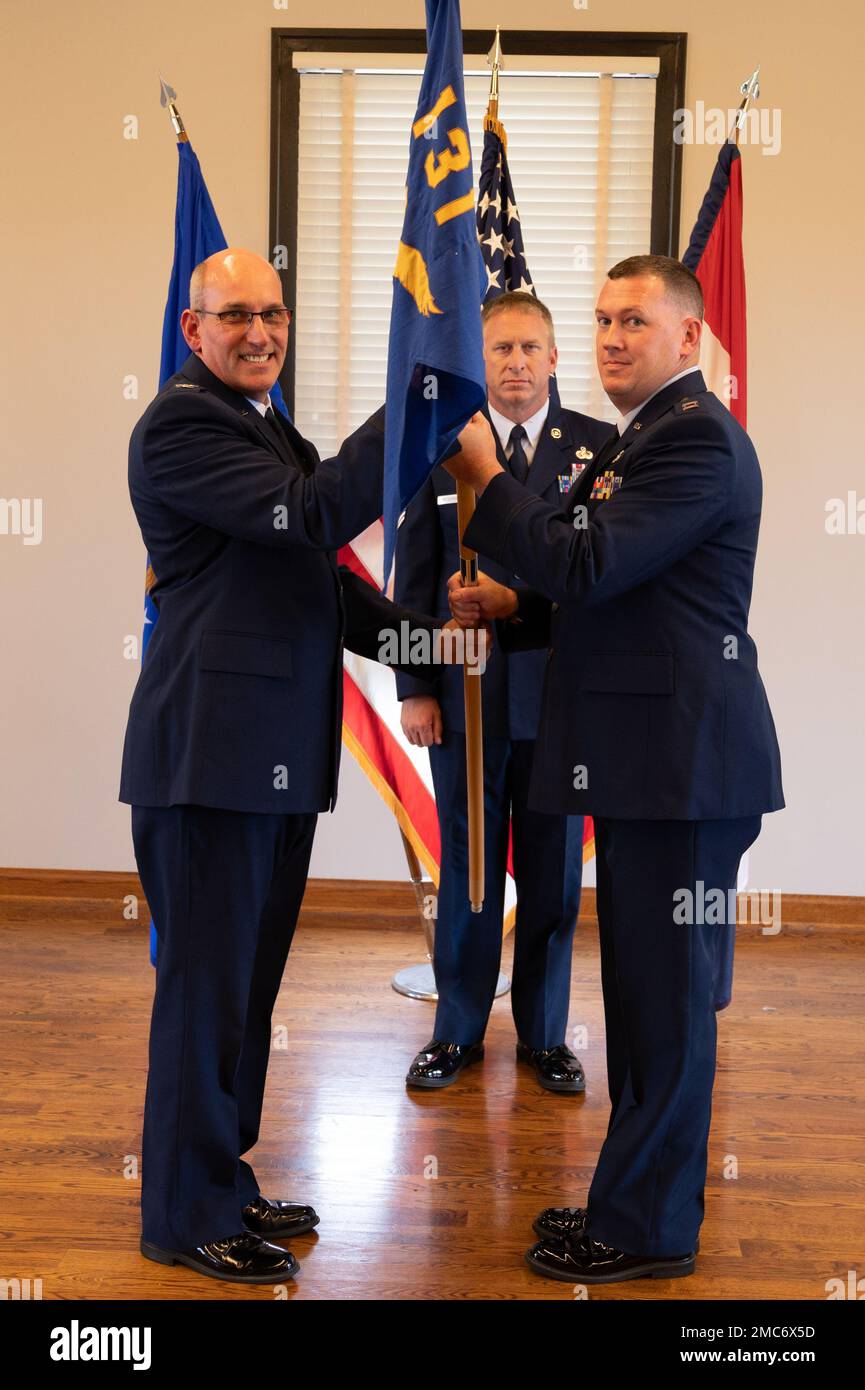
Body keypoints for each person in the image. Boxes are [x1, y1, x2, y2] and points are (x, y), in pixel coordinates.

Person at [120, 248, 483, 1285]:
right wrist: (421, 392)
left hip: (269, 764)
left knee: (243, 991)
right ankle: (184, 1213)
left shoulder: (265, 428)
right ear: (194, 331)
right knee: (204, 993)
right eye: (235, 315)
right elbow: (322, 514)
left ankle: (221, 1180)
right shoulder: (183, 424)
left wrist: (431, 645)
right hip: (207, 762)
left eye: (273, 313)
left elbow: (319, 587)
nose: (260, 332)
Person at [445, 254, 784, 1284]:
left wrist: (485, 481)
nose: (610, 338)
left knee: (668, 1009)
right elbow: (614, 585)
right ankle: (624, 1198)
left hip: (684, 768)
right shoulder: (643, 439)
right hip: (648, 765)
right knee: (640, 1001)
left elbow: (589, 558)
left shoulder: (693, 442)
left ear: (688, 338)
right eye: (599, 320)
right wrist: (522, 606)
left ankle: (648, 1230)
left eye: (634, 321)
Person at [395, 292, 613, 1093]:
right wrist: (415, 687)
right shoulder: (444, 448)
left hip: (558, 702)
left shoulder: (599, 451)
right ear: (476, 362)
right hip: (465, 708)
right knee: (470, 871)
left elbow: (600, 579)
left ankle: (545, 1036)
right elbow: (412, 578)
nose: (515, 362)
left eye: (529, 347)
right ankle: (456, 1030)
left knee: (554, 875)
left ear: (555, 358)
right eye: (499, 350)